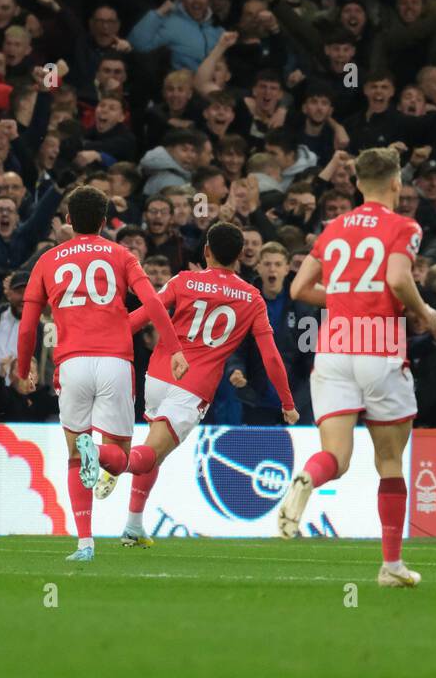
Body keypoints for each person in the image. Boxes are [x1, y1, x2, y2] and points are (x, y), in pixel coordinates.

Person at [278, 146, 436, 587]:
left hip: (333, 351)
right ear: (396, 183)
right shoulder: (404, 226)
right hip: (380, 349)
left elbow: (298, 288)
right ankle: (391, 565)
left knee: (335, 457)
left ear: (356, 184)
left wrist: (346, 298)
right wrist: (426, 314)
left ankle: (307, 477)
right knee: (389, 461)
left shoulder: (333, 228)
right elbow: (397, 279)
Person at [91, 222, 298, 545]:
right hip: (192, 387)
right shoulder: (253, 298)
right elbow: (270, 356)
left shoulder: (184, 280)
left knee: (155, 452)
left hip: (158, 376)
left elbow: (145, 314)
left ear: (206, 251)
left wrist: (102, 340)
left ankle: (133, 525)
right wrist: (287, 402)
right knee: (149, 454)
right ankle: (104, 457)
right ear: (240, 256)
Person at [15, 186, 187, 563]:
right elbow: (153, 302)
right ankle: (99, 452)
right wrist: (175, 348)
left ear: (68, 220)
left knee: (74, 456)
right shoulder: (122, 254)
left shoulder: (47, 260)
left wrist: (23, 368)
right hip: (115, 363)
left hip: (71, 364)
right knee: (120, 457)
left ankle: (84, 544)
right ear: (106, 221)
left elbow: (27, 327)